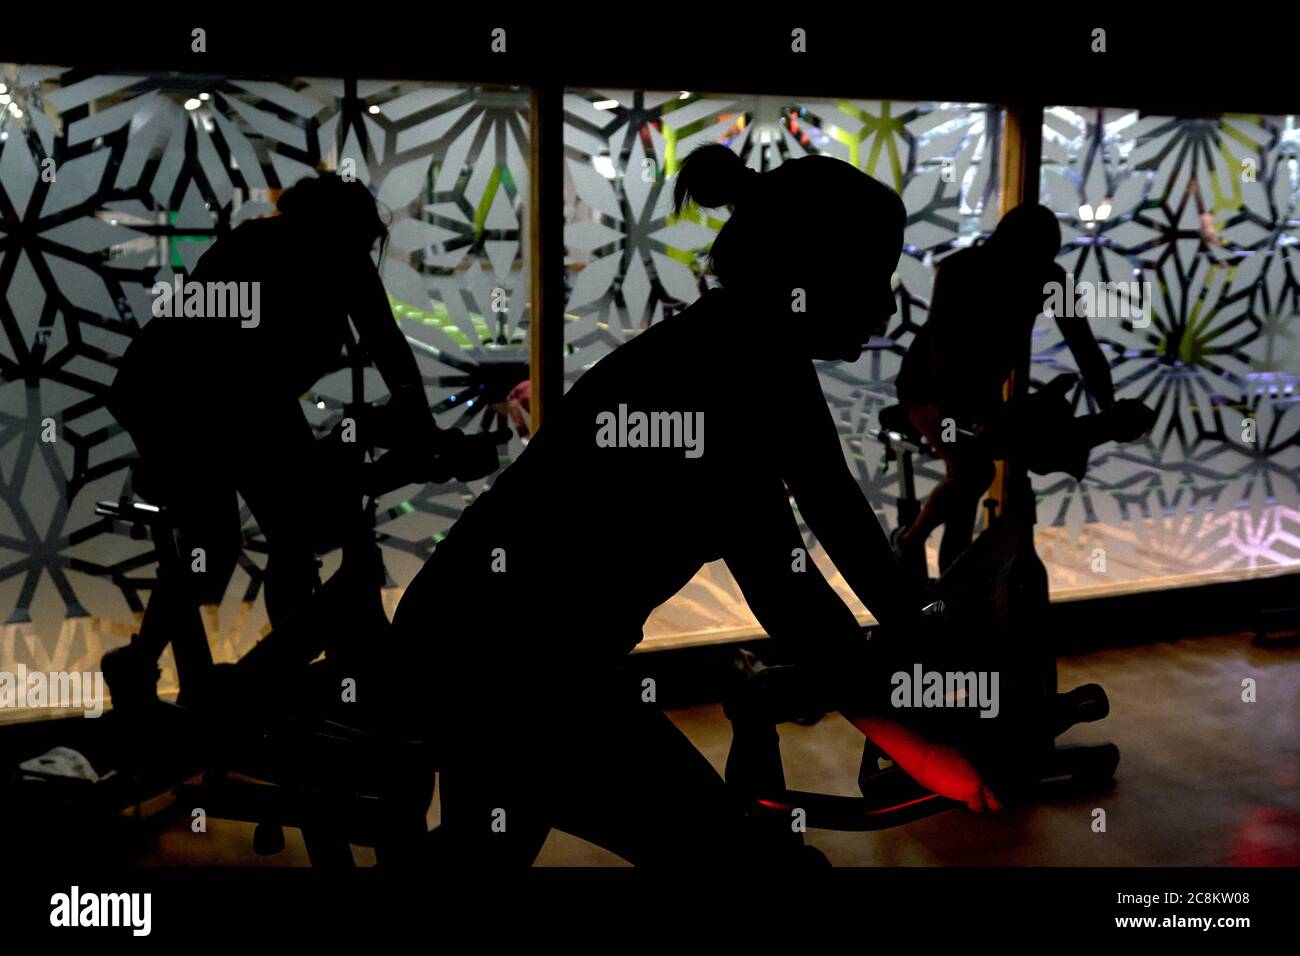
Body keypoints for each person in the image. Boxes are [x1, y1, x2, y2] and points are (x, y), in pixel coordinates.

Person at [393, 145, 1003, 868]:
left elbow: (844, 526)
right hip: (513, 672)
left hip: (469, 641)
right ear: (812, 272)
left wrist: (923, 662)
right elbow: (792, 592)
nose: (885, 301)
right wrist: (922, 733)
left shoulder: (742, 348)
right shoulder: (731, 374)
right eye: (874, 274)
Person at [105, 174, 445, 699]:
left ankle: (269, 673)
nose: (365, 256)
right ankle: (144, 667)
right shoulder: (255, 249)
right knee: (216, 544)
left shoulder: (339, 256)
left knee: (290, 534)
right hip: (176, 397)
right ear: (331, 230)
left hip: (244, 398)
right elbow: (223, 363)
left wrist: (418, 421)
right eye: (361, 241)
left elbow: (385, 340)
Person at [892, 204, 1134, 575]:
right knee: (974, 473)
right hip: (928, 387)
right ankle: (909, 541)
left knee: (971, 479)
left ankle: (942, 574)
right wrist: (1109, 410)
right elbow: (944, 349)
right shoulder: (966, 270)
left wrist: (1109, 407)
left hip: (978, 389)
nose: (1036, 267)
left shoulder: (996, 270)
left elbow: (1083, 346)